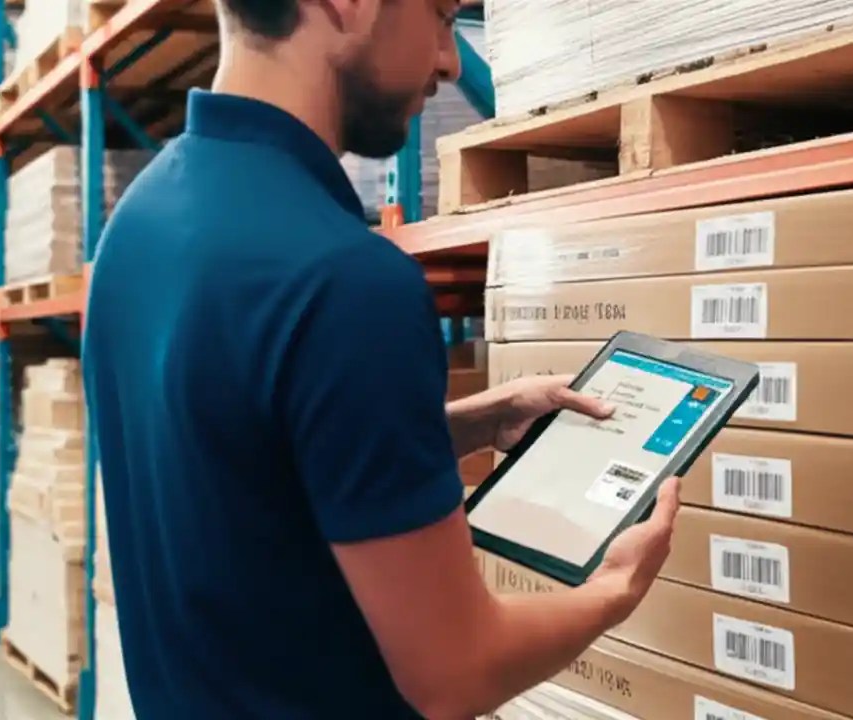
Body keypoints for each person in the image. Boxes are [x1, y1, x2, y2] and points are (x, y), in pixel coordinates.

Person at [81, 0, 680, 717]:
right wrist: (613, 592)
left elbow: (243, 460)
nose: (450, 60)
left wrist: (469, 422)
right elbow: (459, 672)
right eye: (440, 13)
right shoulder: (347, 282)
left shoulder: (138, 226)